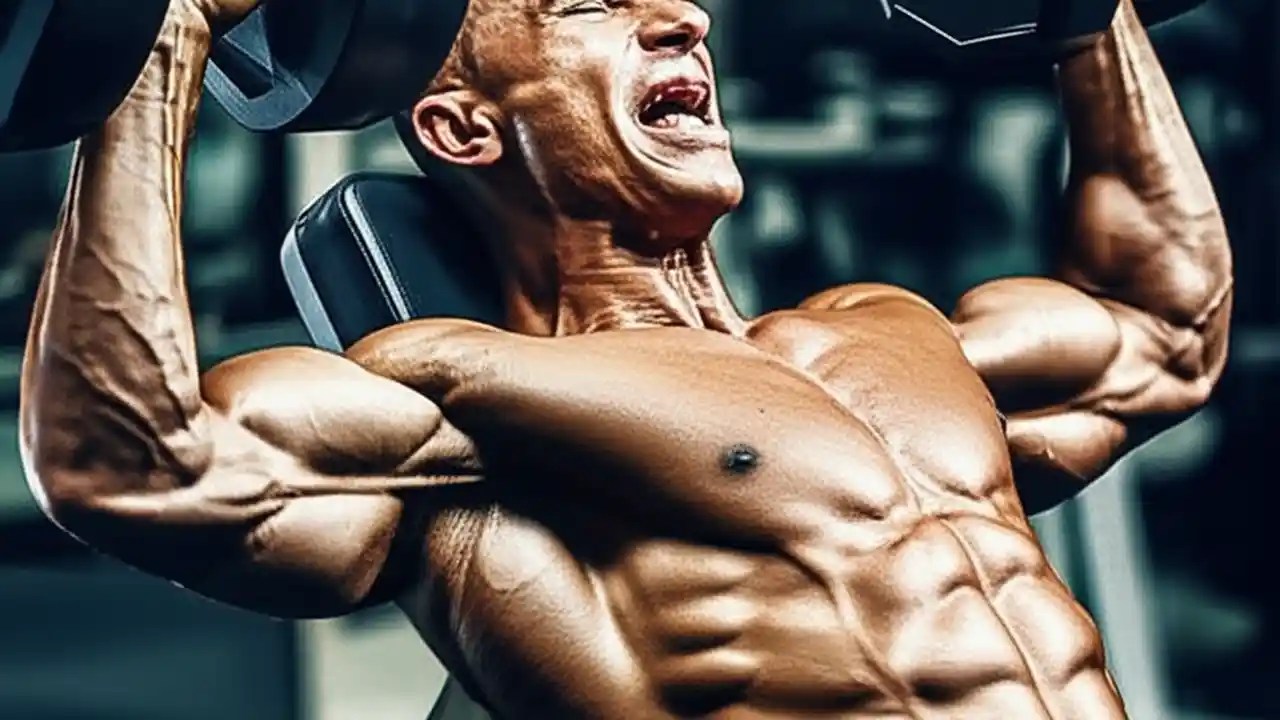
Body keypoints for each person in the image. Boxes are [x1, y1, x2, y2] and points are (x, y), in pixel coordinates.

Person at [22, 0, 1232, 717]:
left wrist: (1087, 20)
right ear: (460, 125)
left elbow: (1162, 328)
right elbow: (134, 462)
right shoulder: (467, 395)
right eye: (587, 4)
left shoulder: (886, 332)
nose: (682, 15)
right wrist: (164, 47)